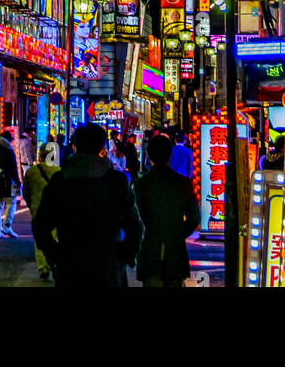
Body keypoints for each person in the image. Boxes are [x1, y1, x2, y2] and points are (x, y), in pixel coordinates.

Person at [32, 122, 143, 288]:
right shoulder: (116, 181)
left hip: (70, 267)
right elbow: (134, 226)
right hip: (108, 267)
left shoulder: (60, 182)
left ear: (75, 147)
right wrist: (124, 255)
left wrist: (55, 256)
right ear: (102, 148)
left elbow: (40, 226)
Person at [134, 132, 201, 288]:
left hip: (151, 248)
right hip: (175, 251)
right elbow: (194, 218)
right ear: (170, 154)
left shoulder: (141, 184)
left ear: (149, 156)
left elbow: (136, 219)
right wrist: (178, 232)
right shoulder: (183, 183)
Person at [21, 142, 61, 281]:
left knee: (39, 238)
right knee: (55, 236)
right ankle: (54, 263)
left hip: (37, 209)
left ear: (40, 155)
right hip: (56, 209)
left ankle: (43, 267)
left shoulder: (31, 172)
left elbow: (25, 191)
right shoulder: (58, 171)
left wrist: (31, 204)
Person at [0, 129, 21, 238]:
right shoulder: (9, 152)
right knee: (12, 203)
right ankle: (7, 226)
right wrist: (18, 182)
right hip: (10, 182)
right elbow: (14, 169)